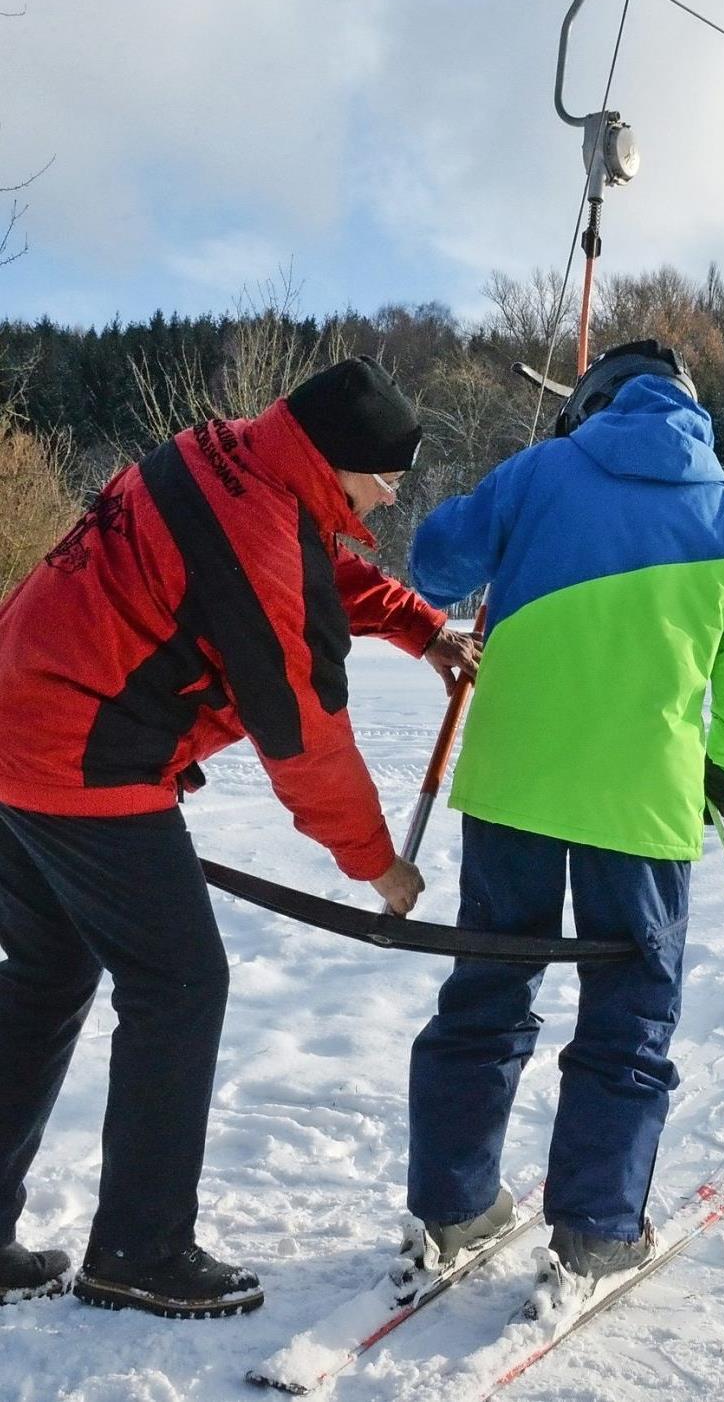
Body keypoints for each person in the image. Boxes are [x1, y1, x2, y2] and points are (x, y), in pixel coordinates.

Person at [0, 356, 479, 1318]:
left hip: (18, 720)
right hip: (79, 754)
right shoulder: (256, 531)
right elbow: (302, 732)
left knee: (49, 974)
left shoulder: (225, 455)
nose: (389, 499)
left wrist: (420, 628)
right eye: (385, 479)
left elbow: (312, 569)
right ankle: (139, 1251)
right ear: (334, 458)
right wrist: (377, 863)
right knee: (179, 985)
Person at [403, 339, 724, 1289]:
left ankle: (454, 1208)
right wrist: (721, 774)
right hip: (644, 806)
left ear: (592, 404)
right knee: (629, 1013)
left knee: (487, 993)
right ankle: (596, 1230)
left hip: (512, 793)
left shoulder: (538, 472)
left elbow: (433, 564)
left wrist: (519, 496)